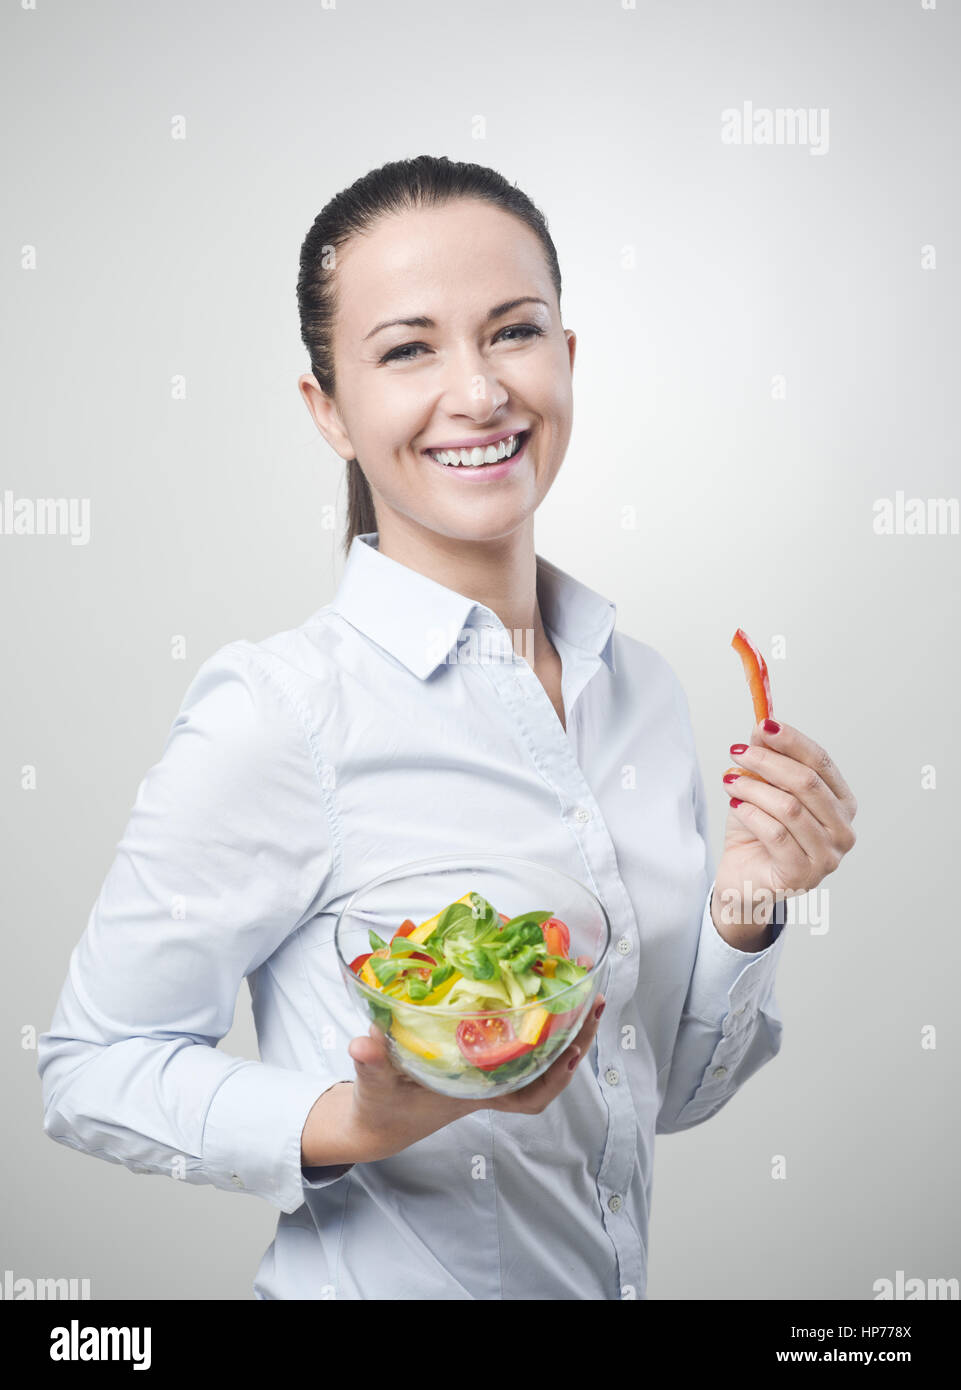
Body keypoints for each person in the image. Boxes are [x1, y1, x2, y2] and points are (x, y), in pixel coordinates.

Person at [37, 155, 858, 1301]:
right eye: (408, 348)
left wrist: (748, 902)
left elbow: (653, 1096)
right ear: (328, 409)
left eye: (513, 331)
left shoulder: (646, 693)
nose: (477, 394)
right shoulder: (284, 713)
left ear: (566, 360)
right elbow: (86, 1069)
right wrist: (356, 1121)